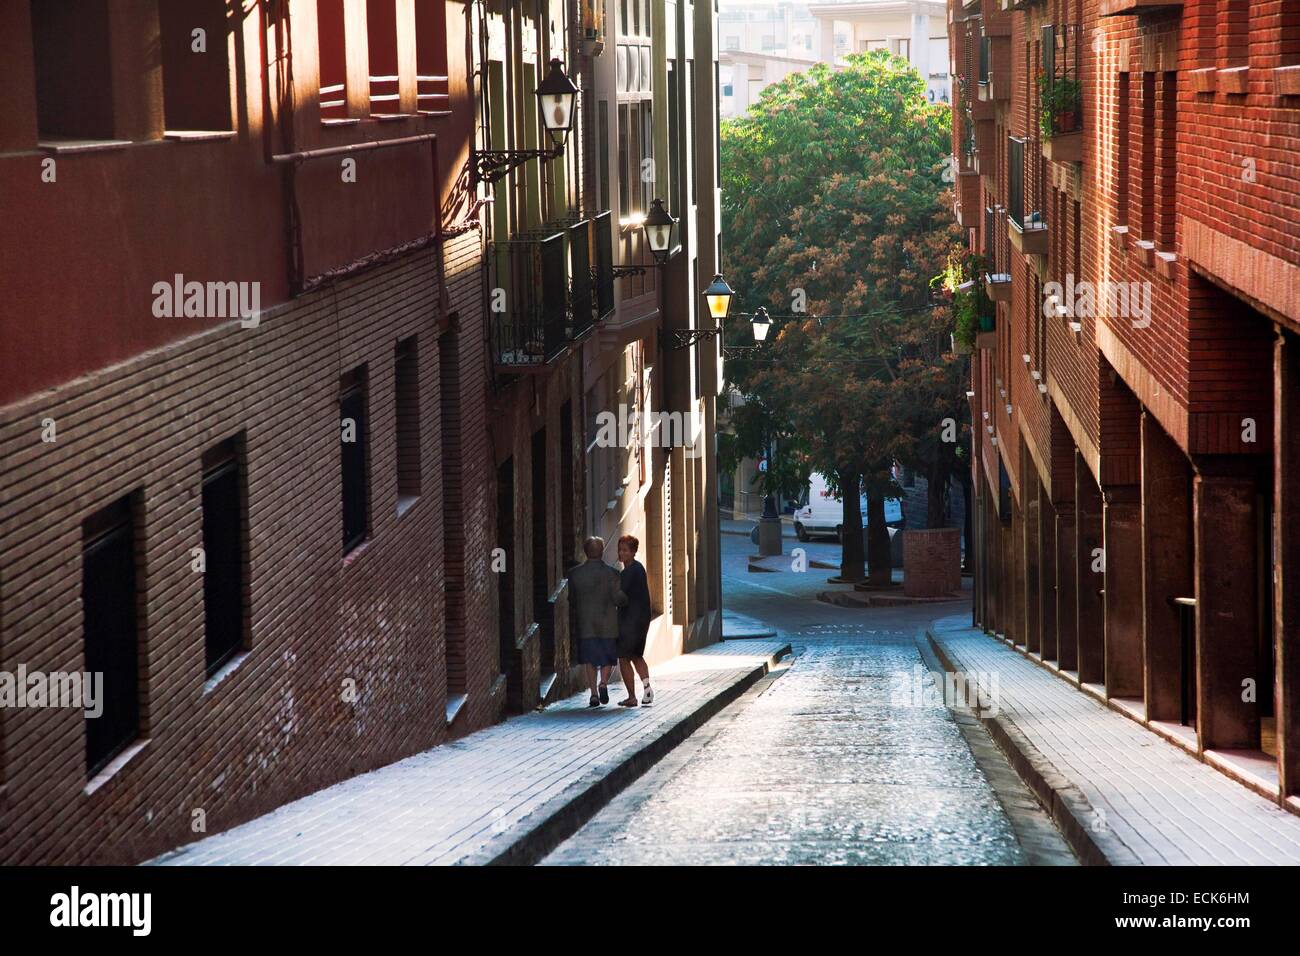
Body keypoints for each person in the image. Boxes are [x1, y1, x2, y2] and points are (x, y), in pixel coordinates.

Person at [568, 536, 626, 706]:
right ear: (602, 552)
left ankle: (593, 693)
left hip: (586, 624)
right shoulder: (613, 574)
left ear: (586, 552)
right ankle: (603, 683)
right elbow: (618, 599)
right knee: (607, 657)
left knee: (590, 660)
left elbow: (572, 599)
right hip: (608, 623)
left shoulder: (575, 574)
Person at [615, 534, 654, 707]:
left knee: (623, 657)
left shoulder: (629, 572)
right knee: (637, 655)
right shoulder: (639, 568)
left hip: (630, 622)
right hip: (642, 621)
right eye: (620, 549)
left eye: (625, 550)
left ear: (633, 552)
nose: (621, 553)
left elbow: (621, 598)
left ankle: (632, 697)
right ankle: (647, 689)